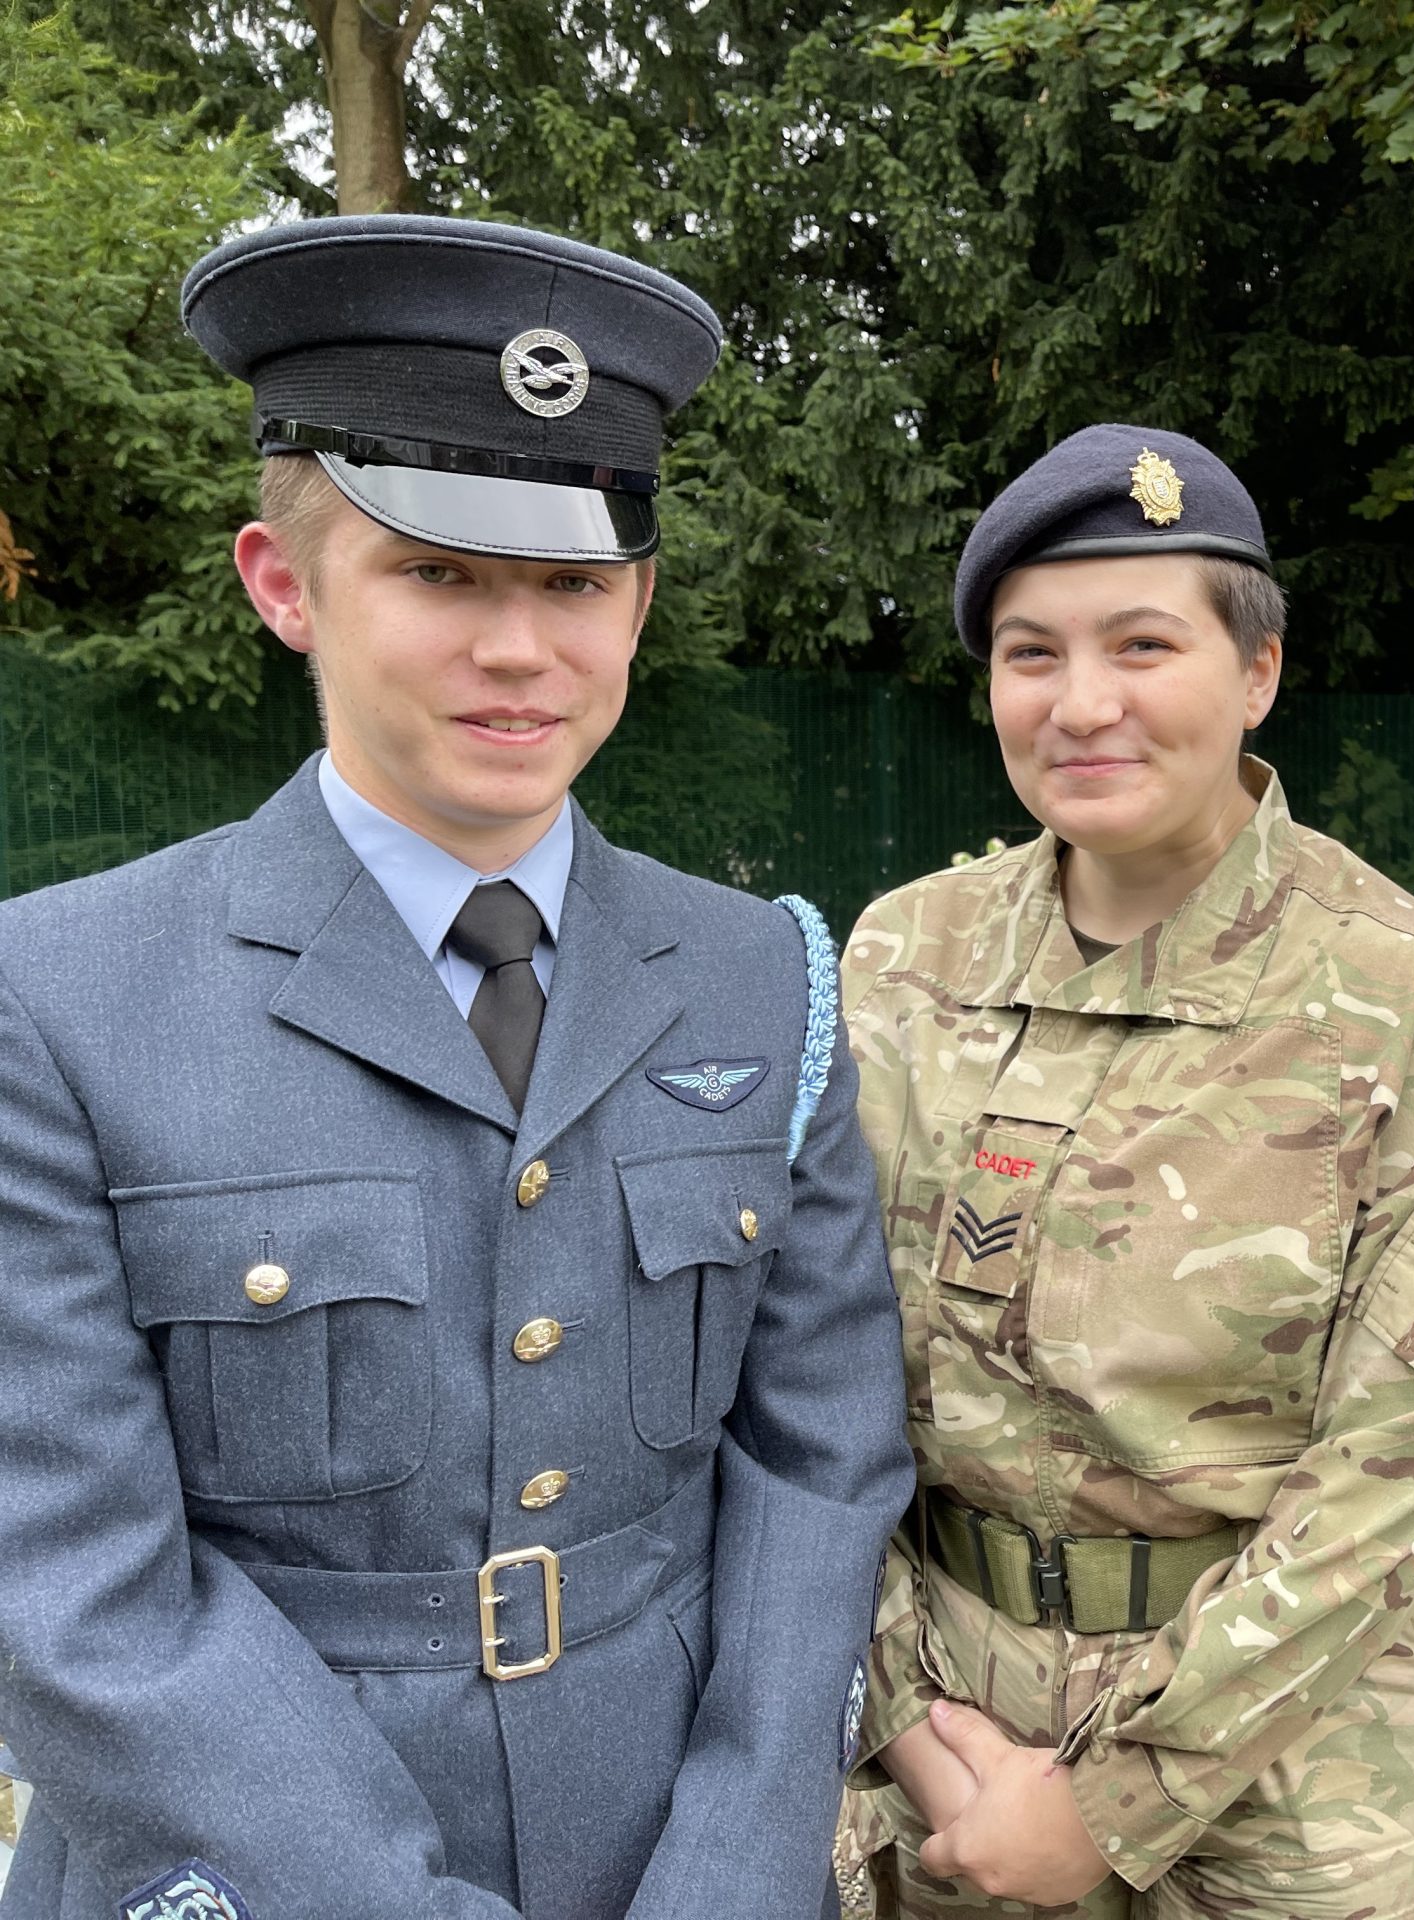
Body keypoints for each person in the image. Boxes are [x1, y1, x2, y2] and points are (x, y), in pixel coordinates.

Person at [0, 215, 912, 1920]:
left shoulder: (756, 977)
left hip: (673, 1862)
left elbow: (822, 1456)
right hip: (252, 1867)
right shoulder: (51, 999)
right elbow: (72, 1587)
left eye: (573, 585)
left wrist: (735, 1865)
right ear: (285, 585)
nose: (521, 652)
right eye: (439, 574)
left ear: (637, 598)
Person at [829, 424, 1414, 1919]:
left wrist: (1116, 1801)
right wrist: (905, 1718)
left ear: (1257, 674)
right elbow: (804, 1368)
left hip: (1316, 1795)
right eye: (1031, 653)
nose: (1082, 703)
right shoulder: (902, 963)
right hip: (960, 1759)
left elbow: (1413, 1462)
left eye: (1144, 644)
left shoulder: (1400, 992)